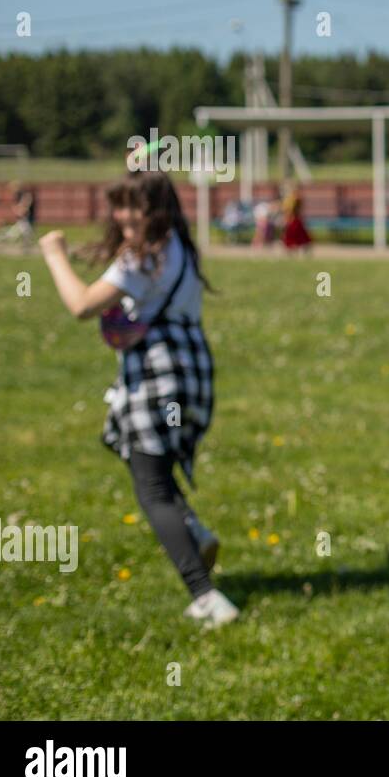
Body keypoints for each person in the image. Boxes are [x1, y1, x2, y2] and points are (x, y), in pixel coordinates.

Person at [38, 169, 238, 628]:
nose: (124, 215)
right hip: (192, 372)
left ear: (157, 210)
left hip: (156, 375)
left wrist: (53, 255)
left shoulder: (141, 258)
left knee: (150, 486)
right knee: (129, 446)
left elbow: (81, 305)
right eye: (120, 205)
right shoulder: (181, 250)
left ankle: (206, 598)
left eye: (135, 206)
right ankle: (193, 529)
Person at [281, 187, 312, 253]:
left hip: (296, 220)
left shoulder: (297, 201)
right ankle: (292, 248)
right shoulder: (291, 200)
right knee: (292, 234)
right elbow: (287, 211)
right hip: (293, 220)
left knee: (299, 234)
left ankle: (299, 247)